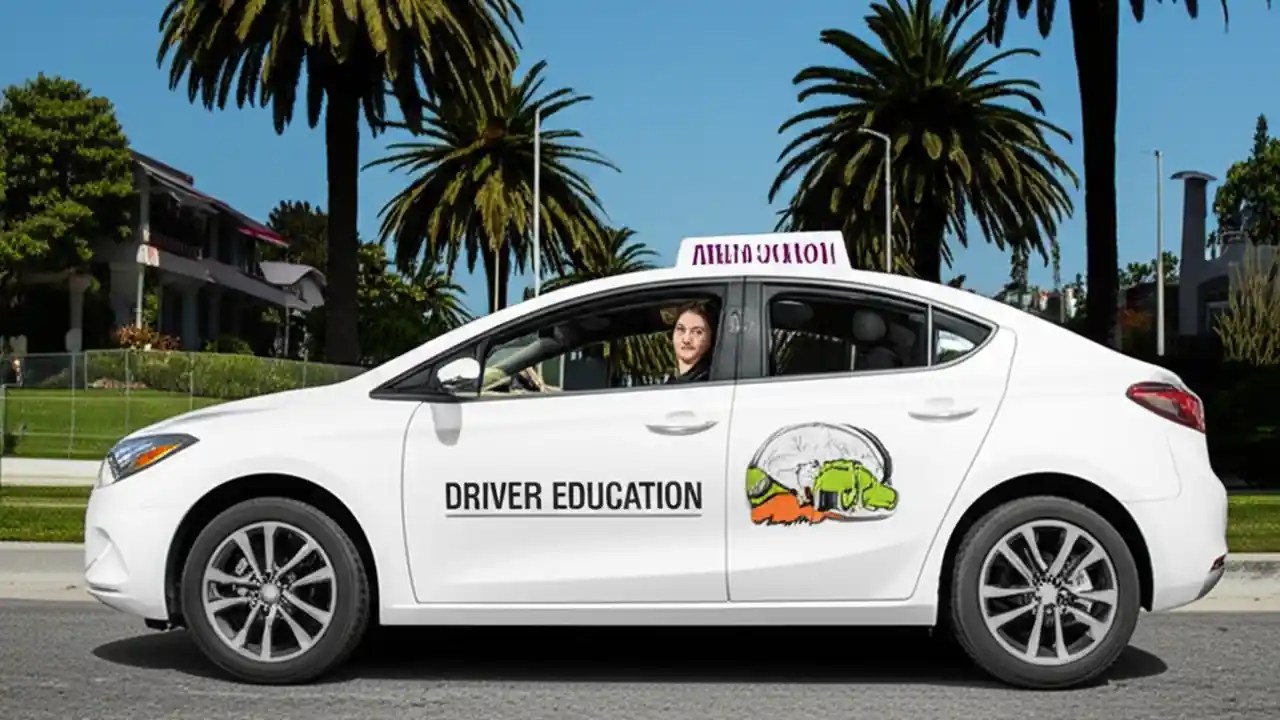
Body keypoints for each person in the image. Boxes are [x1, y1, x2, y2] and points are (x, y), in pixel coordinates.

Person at [666, 301, 715, 383]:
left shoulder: (709, 380)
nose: (686, 340)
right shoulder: (671, 380)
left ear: (710, 338)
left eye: (697, 332)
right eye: (681, 329)